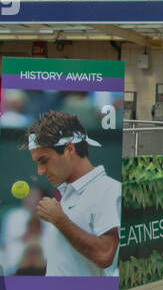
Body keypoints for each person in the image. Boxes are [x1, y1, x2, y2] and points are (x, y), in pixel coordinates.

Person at [24, 110, 121, 277]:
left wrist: (60, 220)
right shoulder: (67, 192)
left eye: (44, 160)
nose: (40, 171)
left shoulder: (109, 190)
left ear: (69, 149)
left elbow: (105, 255)